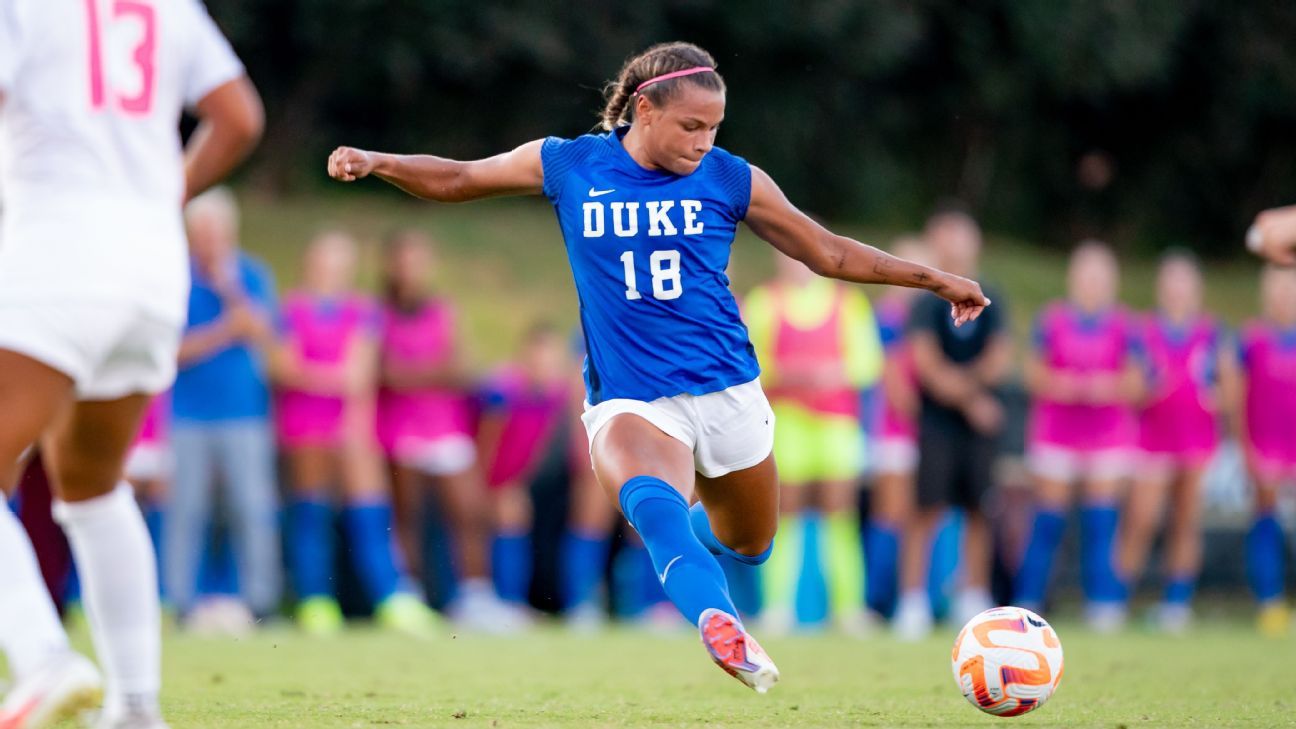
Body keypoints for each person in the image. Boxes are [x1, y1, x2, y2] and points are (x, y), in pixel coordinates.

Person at [327, 41, 988, 691]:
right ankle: (716, 617)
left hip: (728, 391)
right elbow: (462, 177)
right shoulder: (570, 164)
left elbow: (830, 254)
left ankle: (705, 548)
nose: (704, 141)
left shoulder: (731, 177)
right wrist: (379, 159)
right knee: (656, 508)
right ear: (644, 110)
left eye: (714, 128)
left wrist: (934, 279)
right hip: (631, 397)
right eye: (691, 126)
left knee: (752, 540)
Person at [0, 0, 262, 725]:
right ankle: (137, 705)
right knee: (91, 484)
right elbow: (239, 116)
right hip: (151, 266)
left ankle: (42, 658)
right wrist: (159, 195)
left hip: (57, 246)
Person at [276, 231, 438, 637]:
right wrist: (334, 378)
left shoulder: (362, 311)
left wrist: (354, 417)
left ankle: (391, 598)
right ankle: (315, 602)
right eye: (326, 262)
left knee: (370, 511)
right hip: (303, 424)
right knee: (311, 512)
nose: (333, 271)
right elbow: (284, 368)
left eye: (341, 263)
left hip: (349, 424)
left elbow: (359, 376)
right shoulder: (290, 308)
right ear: (310, 264)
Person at [375, 230, 522, 629]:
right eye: (406, 260)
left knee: (469, 512)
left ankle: (475, 597)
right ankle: (408, 598)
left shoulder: (443, 310)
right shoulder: (379, 314)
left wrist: (414, 374)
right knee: (407, 516)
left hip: (445, 426)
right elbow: (385, 374)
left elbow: (461, 369)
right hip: (398, 428)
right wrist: (431, 373)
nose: (413, 269)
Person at [743, 251, 882, 633]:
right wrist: (789, 372)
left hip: (837, 426)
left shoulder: (847, 303)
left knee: (840, 516)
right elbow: (748, 360)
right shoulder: (764, 302)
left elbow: (868, 362)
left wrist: (832, 372)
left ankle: (849, 608)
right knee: (782, 516)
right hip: (787, 425)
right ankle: (777, 608)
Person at [166, 188, 282, 630]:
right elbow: (172, 351)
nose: (211, 240)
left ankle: (262, 601)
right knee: (186, 510)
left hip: (245, 413)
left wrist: (229, 289)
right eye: (202, 232)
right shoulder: (174, 276)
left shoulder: (252, 275)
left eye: (217, 231)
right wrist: (222, 331)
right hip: (187, 414)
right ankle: (178, 601)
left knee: (253, 507)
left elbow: (262, 331)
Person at [1014, 242, 1145, 632]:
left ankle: (1104, 602)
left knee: (1100, 521)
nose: (1092, 284)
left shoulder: (1125, 324)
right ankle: (1028, 602)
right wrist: (1064, 384)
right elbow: (1032, 374)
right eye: (1085, 275)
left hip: (1106, 436)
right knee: (1048, 521)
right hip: (1056, 433)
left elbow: (1138, 382)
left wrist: (1109, 386)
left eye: (1099, 277)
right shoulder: (1052, 320)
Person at [893, 211, 1012, 640]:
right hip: (936, 424)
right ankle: (912, 601)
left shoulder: (993, 296)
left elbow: (999, 358)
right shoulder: (925, 302)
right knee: (925, 511)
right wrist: (973, 400)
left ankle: (973, 596)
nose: (955, 244)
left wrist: (972, 395)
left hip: (979, 428)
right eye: (946, 236)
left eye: (962, 235)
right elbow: (925, 365)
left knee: (980, 509)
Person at [1118, 252, 1225, 633]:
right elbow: (1130, 387)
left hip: (1197, 439)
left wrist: (1217, 395)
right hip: (1152, 440)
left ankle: (1176, 602)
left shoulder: (1212, 332)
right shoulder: (1142, 330)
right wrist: (1149, 387)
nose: (1178, 290)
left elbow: (1227, 384)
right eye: (1171, 282)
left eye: (1185, 282)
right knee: (1142, 519)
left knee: (1186, 521)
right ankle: (1115, 601)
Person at [477, 323, 572, 613]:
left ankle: (512, 603)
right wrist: (487, 486)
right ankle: (502, 603)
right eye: (538, 358)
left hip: (516, 479)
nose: (544, 366)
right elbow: (486, 442)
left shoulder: (556, 395)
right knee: (505, 521)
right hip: (488, 475)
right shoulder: (504, 392)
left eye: (551, 361)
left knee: (516, 522)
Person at [865, 236, 932, 624]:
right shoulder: (888, 318)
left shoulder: (931, 315)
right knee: (891, 517)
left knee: (920, 518)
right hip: (893, 433)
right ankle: (879, 603)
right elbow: (893, 382)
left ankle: (915, 600)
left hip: (927, 435)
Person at [1233, 266, 1296, 637]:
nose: (1282, 296)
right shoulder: (1250, 339)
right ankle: (1269, 601)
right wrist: (1247, 448)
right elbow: (1238, 399)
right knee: (1266, 517)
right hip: (1266, 447)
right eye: (1275, 290)